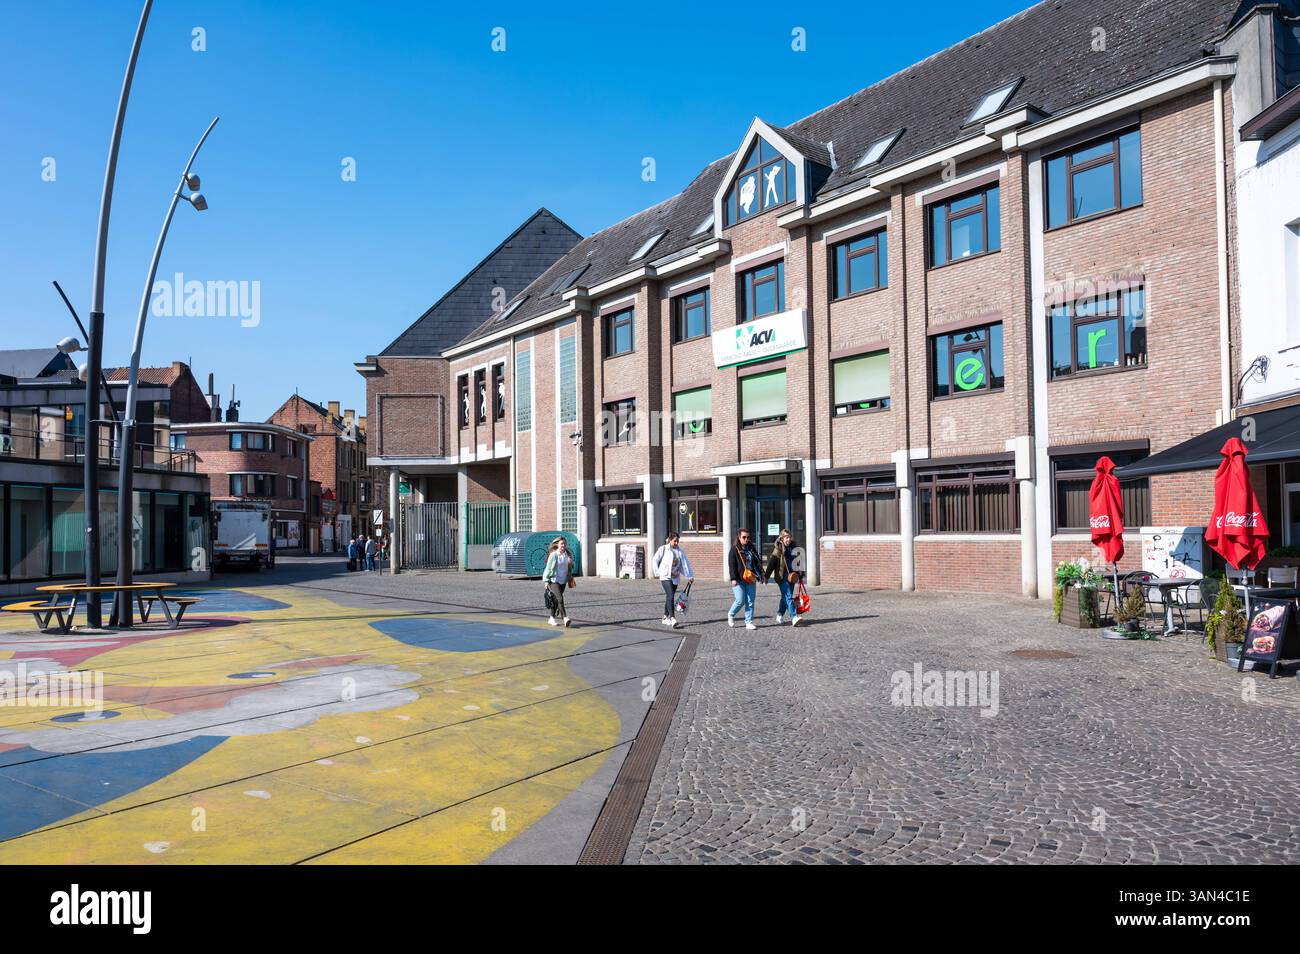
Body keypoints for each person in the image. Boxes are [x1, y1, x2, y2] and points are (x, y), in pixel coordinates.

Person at [652, 532, 693, 628]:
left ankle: (665, 617)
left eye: (678, 541)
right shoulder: (663, 549)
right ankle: (672, 618)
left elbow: (685, 564)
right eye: (675, 541)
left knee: (669, 596)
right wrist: (657, 572)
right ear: (670, 540)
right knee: (670, 595)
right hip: (665, 576)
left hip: (675, 577)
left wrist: (690, 576)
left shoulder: (680, 551)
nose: (676, 543)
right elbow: (655, 560)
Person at [765, 527, 804, 626]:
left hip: (793, 576)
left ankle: (779, 615)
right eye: (786, 537)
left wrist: (801, 575)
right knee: (788, 596)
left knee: (785, 597)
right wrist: (766, 576)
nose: (788, 539)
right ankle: (794, 617)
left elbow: (799, 562)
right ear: (782, 538)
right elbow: (771, 563)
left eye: (789, 537)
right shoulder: (778, 549)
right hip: (782, 576)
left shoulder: (794, 547)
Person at [727, 528, 762, 630]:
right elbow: (732, 565)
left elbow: (757, 562)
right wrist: (733, 578)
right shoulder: (734, 549)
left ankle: (748, 622)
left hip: (751, 577)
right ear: (739, 537)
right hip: (739, 579)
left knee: (750, 600)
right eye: (744, 537)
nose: (746, 539)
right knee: (740, 600)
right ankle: (731, 614)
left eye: (748, 537)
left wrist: (761, 574)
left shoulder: (751, 548)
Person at [540, 536, 575, 627]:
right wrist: (546, 581)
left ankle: (551, 618)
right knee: (560, 599)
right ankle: (565, 618)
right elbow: (548, 568)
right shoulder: (553, 555)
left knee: (556, 601)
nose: (563, 545)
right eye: (561, 544)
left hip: (563, 580)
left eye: (564, 543)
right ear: (557, 545)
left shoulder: (568, 553)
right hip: (554, 580)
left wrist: (570, 562)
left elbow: (572, 566)